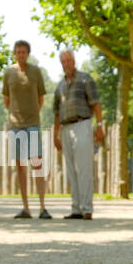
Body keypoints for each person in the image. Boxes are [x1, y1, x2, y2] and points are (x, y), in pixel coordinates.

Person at [2, 39, 50, 219]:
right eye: (18, 52)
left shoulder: (36, 72)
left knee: (37, 163)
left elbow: (41, 98)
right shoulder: (8, 73)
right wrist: (16, 116)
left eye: (24, 52)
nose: (21, 54)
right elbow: (6, 100)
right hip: (15, 125)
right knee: (20, 166)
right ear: (14, 54)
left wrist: (32, 114)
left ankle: (43, 207)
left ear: (28, 53)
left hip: (33, 123)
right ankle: (25, 207)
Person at [53, 49, 104, 220]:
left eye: (68, 60)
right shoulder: (59, 86)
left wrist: (100, 125)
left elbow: (96, 104)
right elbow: (57, 114)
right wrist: (55, 134)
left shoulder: (85, 79)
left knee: (84, 168)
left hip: (82, 124)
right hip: (65, 128)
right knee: (71, 170)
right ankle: (76, 208)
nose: (66, 64)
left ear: (74, 61)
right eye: (63, 62)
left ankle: (87, 208)